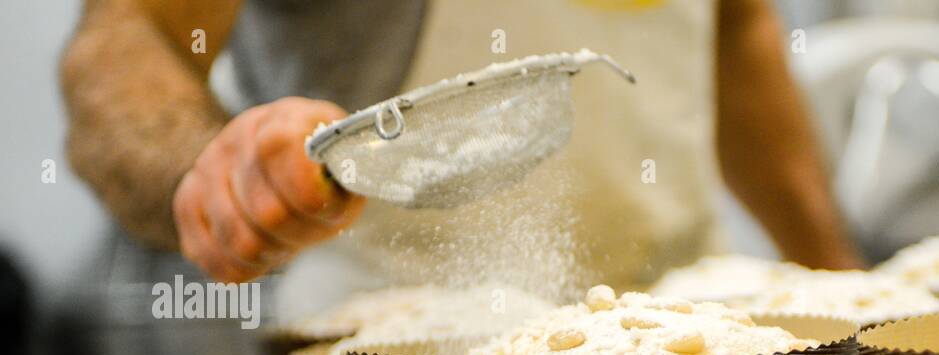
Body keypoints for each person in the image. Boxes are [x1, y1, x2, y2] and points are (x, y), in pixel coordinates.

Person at [61, 0, 862, 307]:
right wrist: (209, 167)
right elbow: (124, 40)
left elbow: (734, 33)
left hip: (695, 340)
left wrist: (845, 290)